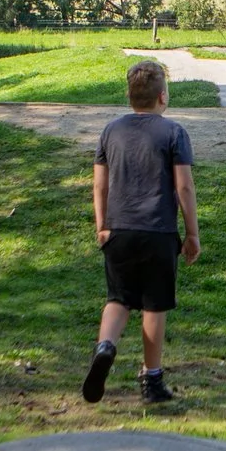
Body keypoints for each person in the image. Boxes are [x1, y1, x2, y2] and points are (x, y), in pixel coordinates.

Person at [85, 59, 200, 405]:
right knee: (153, 306)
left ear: (128, 95)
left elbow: (99, 185)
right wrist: (192, 233)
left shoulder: (110, 131)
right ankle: (152, 380)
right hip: (158, 233)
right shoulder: (174, 133)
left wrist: (102, 225)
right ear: (162, 96)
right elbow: (184, 188)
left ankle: (106, 346)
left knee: (118, 299)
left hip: (118, 231)